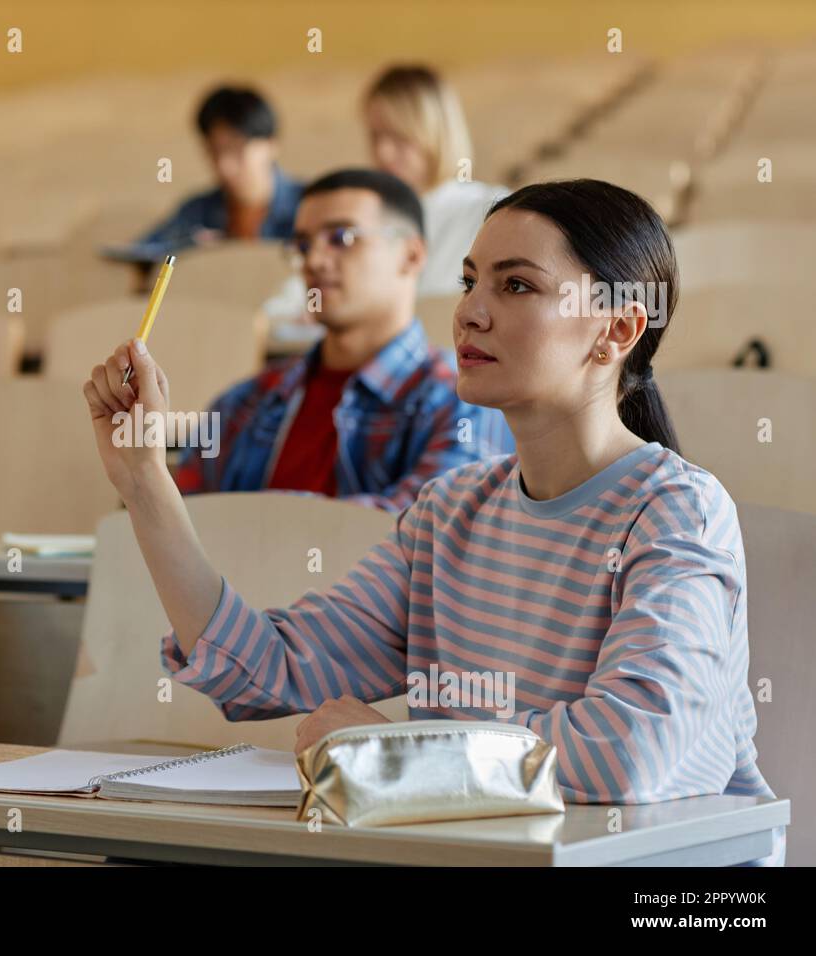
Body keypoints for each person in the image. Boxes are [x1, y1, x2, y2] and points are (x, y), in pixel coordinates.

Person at [83, 179, 783, 865]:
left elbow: (631, 754)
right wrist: (144, 481)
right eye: (470, 280)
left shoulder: (676, 510)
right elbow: (265, 669)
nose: (469, 312)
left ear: (617, 329)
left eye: (515, 286)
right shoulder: (450, 512)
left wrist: (397, 753)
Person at [172, 169, 511, 509]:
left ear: (411, 255)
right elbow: (177, 533)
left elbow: (429, 527)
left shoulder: (461, 402)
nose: (314, 261)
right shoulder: (242, 403)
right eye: (303, 245)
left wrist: (251, 517)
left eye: (342, 238)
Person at [265, 64, 507, 330]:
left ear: (436, 134)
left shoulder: (493, 213)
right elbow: (283, 305)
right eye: (376, 136)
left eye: (399, 138)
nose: (383, 153)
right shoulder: (362, 213)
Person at [131, 86, 302, 255]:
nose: (224, 165)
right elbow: (140, 253)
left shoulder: (309, 206)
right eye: (214, 151)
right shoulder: (197, 211)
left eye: (236, 149)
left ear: (271, 145)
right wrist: (187, 251)